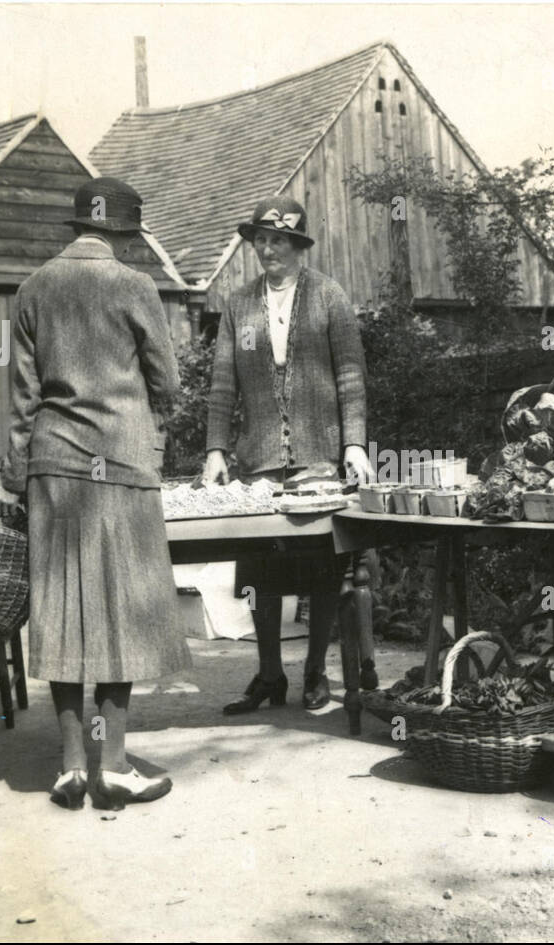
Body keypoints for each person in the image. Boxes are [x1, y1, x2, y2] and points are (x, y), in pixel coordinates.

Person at [0, 176, 189, 811]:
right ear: (124, 237)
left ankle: (71, 768)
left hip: (53, 465)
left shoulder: (33, 288)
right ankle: (116, 766)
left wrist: (15, 479)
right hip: (123, 462)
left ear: (77, 228)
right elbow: (168, 382)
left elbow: (23, 401)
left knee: (63, 610)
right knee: (121, 610)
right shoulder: (133, 286)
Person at [203, 195, 372, 715]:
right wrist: (215, 448)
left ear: (298, 246)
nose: (267, 248)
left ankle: (316, 672)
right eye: (260, 239)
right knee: (260, 572)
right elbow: (223, 381)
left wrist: (355, 443)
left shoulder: (329, 297)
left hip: (320, 456)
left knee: (323, 568)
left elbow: (350, 375)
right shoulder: (239, 305)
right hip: (259, 461)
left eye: (278, 240)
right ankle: (269, 675)